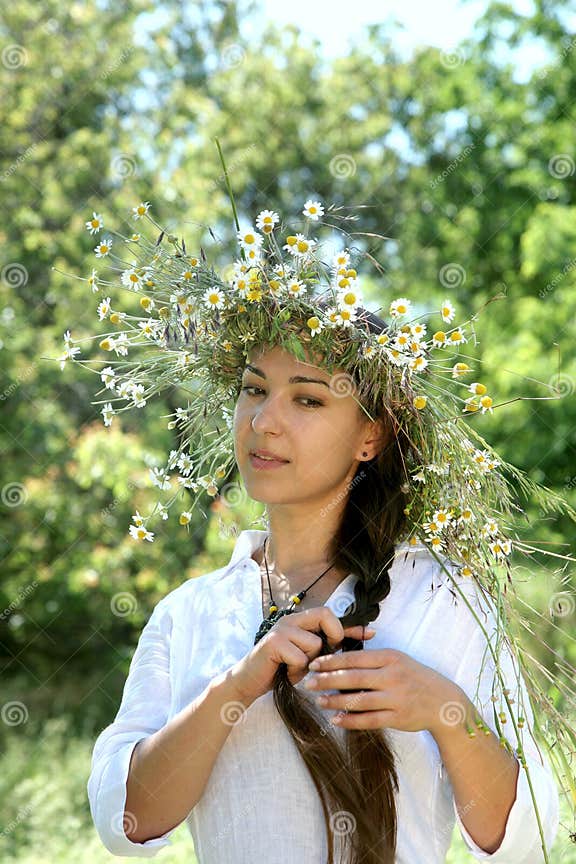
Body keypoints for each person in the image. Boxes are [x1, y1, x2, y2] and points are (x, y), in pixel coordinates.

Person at [67, 182, 574, 862]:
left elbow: (523, 839)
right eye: (253, 389)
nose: (264, 420)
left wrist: (445, 709)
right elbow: (128, 823)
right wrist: (236, 687)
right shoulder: (190, 615)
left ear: (370, 437)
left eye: (307, 400)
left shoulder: (444, 599)